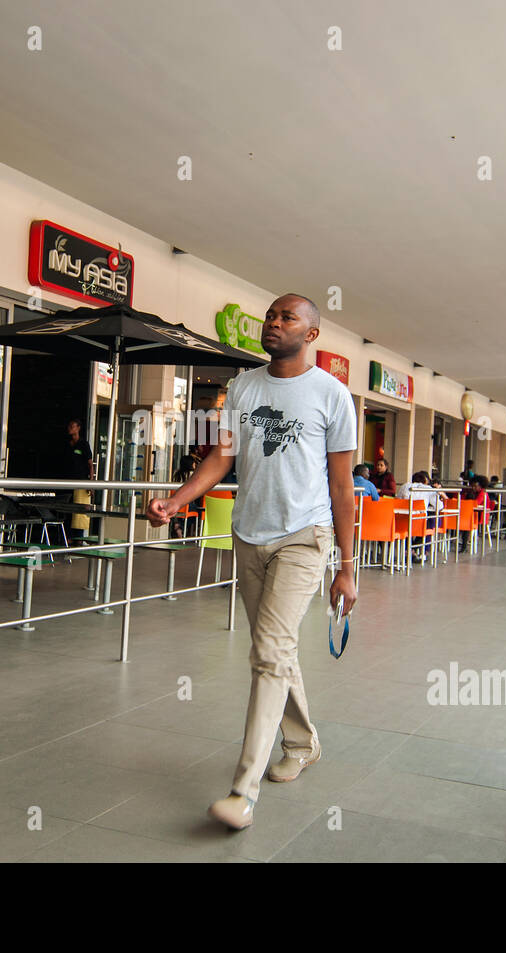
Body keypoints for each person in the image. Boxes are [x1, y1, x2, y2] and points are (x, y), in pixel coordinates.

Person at [146, 293, 358, 831]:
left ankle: (243, 790)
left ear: (311, 334)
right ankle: (303, 741)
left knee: (267, 651)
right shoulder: (242, 387)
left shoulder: (332, 395)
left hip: (304, 537)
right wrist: (178, 499)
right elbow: (222, 455)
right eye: (270, 315)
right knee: (276, 648)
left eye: (287, 317)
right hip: (249, 535)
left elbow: (341, 485)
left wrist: (347, 567)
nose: (274, 323)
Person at [61, 418, 95, 536]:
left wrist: (91, 483)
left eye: (72, 426)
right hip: (68, 482)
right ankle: (68, 537)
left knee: (80, 511)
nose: (70, 428)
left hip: (81, 482)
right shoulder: (67, 444)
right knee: (68, 510)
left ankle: (78, 538)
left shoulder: (83, 444)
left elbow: (90, 465)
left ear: (78, 428)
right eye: (69, 426)